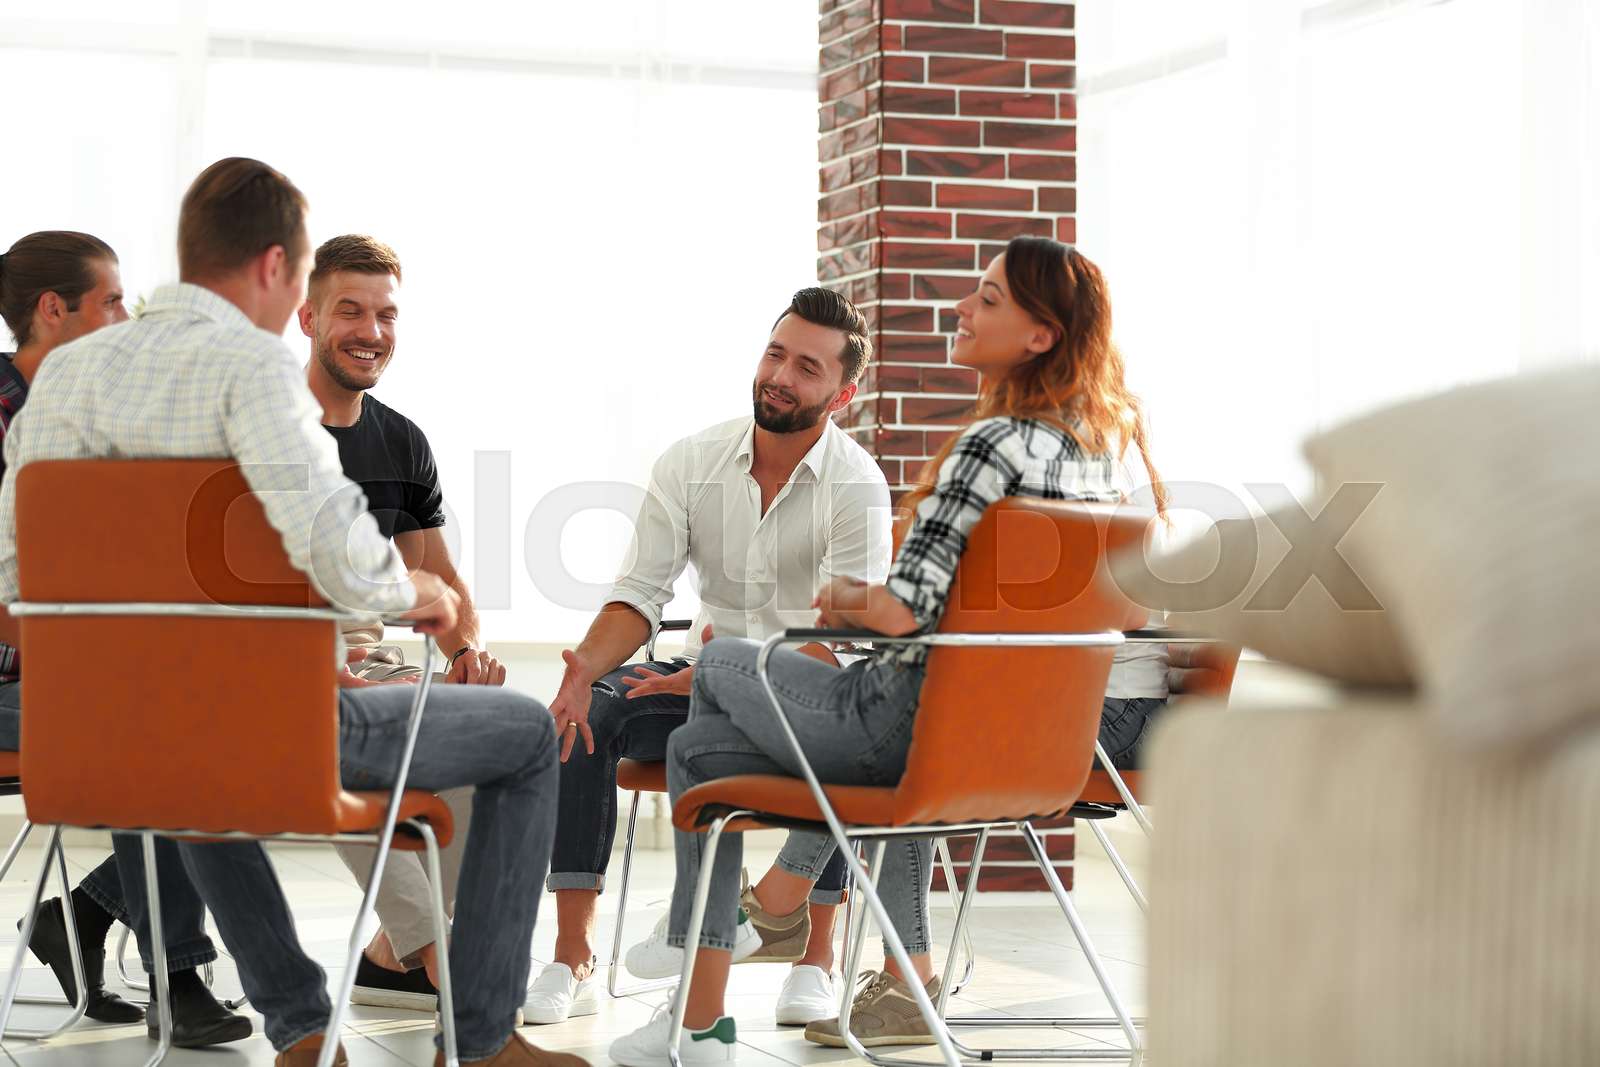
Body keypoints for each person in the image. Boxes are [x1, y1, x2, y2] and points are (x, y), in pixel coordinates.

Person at [0, 158, 583, 1067]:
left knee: (193, 766)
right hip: (265, 729)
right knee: (523, 736)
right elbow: (344, 559)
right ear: (278, 268)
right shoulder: (252, 370)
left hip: (98, 740)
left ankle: (307, 1030)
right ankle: (479, 1037)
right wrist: (422, 593)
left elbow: (12, 574)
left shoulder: (65, 380)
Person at [608, 236, 1172, 1067]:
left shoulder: (991, 446)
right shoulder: (1089, 453)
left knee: (725, 666)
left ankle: (707, 1007)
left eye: (986, 299)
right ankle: (751, 954)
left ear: (1039, 334)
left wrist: (836, 600)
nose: (962, 309)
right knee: (698, 743)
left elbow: (902, 614)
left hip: (910, 725)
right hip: (1008, 729)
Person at [533, 288, 892, 1027]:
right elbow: (639, 591)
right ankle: (574, 953)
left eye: (807, 368)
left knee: (837, 732)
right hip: (697, 680)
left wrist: (728, 672)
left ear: (842, 393)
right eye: (775, 353)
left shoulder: (857, 486)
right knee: (590, 712)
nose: (780, 376)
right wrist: (583, 669)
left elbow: (845, 642)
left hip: (802, 691)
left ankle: (813, 953)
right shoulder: (693, 461)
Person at [0, 230, 253, 1046]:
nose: (127, 316)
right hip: (19, 681)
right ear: (53, 310)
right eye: (112, 300)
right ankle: (174, 973)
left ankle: (81, 913)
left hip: (86, 667)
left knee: (239, 735)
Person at [293, 233, 506, 1011]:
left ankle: (397, 955)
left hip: (374, 662)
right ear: (307, 316)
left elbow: (442, 583)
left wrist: (470, 653)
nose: (371, 331)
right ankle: (445, 969)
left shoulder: (400, 439)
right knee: (349, 730)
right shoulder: (264, 428)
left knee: (490, 734)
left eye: (385, 314)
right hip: (277, 667)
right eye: (350, 310)